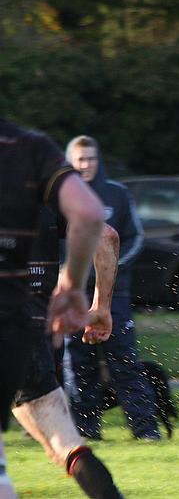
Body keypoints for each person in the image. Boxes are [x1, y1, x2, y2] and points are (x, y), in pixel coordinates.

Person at [0, 118, 105, 499]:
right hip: (17, 329)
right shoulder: (30, 147)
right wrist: (77, 289)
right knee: (63, 444)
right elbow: (96, 221)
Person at [16, 213, 125, 499]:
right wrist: (101, 307)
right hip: (35, 334)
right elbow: (106, 235)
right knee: (64, 447)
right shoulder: (47, 189)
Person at [64, 135, 161, 441]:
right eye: (80, 159)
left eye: (91, 158)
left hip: (113, 297)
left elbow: (135, 239)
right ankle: (86, 431)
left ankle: (146, 431)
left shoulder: (116, 194)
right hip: (74, 298)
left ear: (99, 160)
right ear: (70, 162)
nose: (86, 165)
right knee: (79, 366)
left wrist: (110, 270)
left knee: (125, 364)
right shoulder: (59, 198)